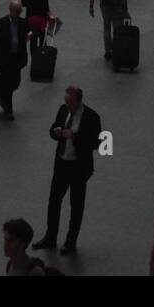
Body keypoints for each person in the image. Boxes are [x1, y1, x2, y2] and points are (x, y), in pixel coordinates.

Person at [33, 86, 102, 254]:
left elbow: (97, 143)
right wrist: (55, 132)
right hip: (62, 163)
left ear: (79, 101)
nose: (67, 105)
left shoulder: (91, 117)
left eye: (70, 103)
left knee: (76, 205)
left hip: (79, 167)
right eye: (66, 102)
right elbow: (54, 128)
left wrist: (75, 136)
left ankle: (70, 242)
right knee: (54, 201)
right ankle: (51, 237)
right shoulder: (63, 110)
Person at [0, 0, 30, 120]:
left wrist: (28, 37)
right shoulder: (1, 23)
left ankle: (4, 98)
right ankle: (8, 109)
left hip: (16, 59)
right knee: (7, 83)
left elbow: (26, 35)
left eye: (19, 11)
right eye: (16, 11)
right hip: (4, 59)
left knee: (15, 83)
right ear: (10, 10)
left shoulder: (23, 23)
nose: (18, 13)